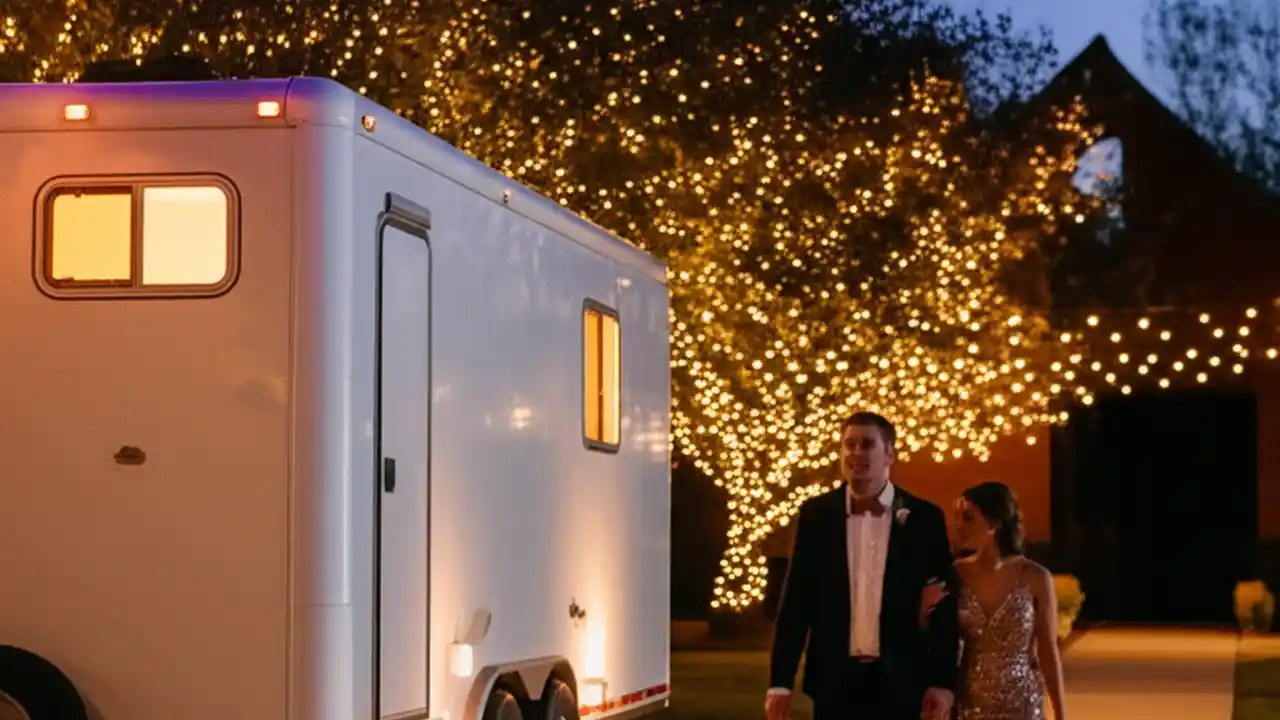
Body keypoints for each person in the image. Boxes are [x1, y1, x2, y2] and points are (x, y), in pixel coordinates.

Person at [765, 412, 959, 720]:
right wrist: (780, 683)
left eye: (867, 444)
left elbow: (945, 607)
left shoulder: (924, 518)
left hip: (903, 682)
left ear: (890, 453)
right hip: (834, 683)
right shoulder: (816, 515)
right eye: (849, 444)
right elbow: (795, 603)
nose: (856, 453)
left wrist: (942, 681)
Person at [921, 482, 1068, 720]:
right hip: (970, 701)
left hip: (1022, 702)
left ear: (994, 523)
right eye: (956, 517)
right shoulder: (955, 574)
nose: (958, 526)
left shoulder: (1035, 577)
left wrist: (1061, 714)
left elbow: (1048, 652)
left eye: (968, 518)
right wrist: (923, 610)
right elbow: (935, 639)